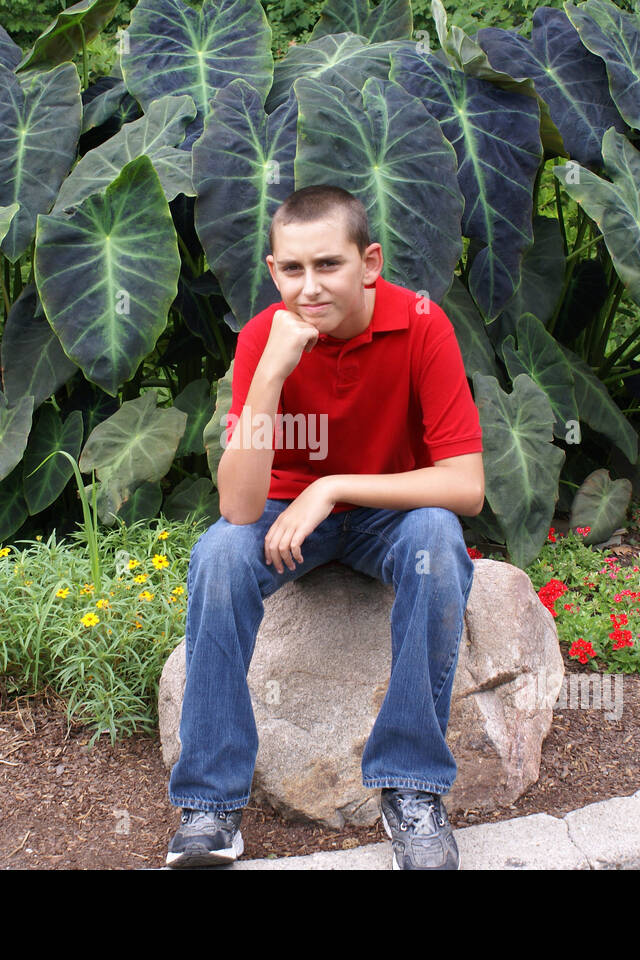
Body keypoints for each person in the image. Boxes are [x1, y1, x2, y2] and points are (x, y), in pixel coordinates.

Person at [165, 184, 484, 870]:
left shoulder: (423, 323)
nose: (309, 287)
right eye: (292, 269)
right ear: (274, 269)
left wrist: (331, 486)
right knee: (219, 555)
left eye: (328, 266)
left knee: (437, 540)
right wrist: (272, 374)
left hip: (389, 516)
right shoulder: (264, 336)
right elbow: (240, 511)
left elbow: (466, 486)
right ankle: (211, 806)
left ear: (369, 261)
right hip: (281, 520)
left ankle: (412, 790)